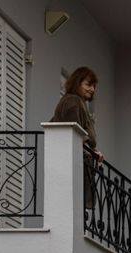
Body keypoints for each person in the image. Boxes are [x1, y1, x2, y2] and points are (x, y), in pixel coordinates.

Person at [51, 67, 101, 210]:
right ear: (77, 83)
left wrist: (94, 151)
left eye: (94, 86)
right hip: (75, 163)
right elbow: (75, 131)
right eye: (88, 84)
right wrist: (91, 151)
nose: (92, 89)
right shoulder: (73, 101)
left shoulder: (76, 102)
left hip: (78, 162)